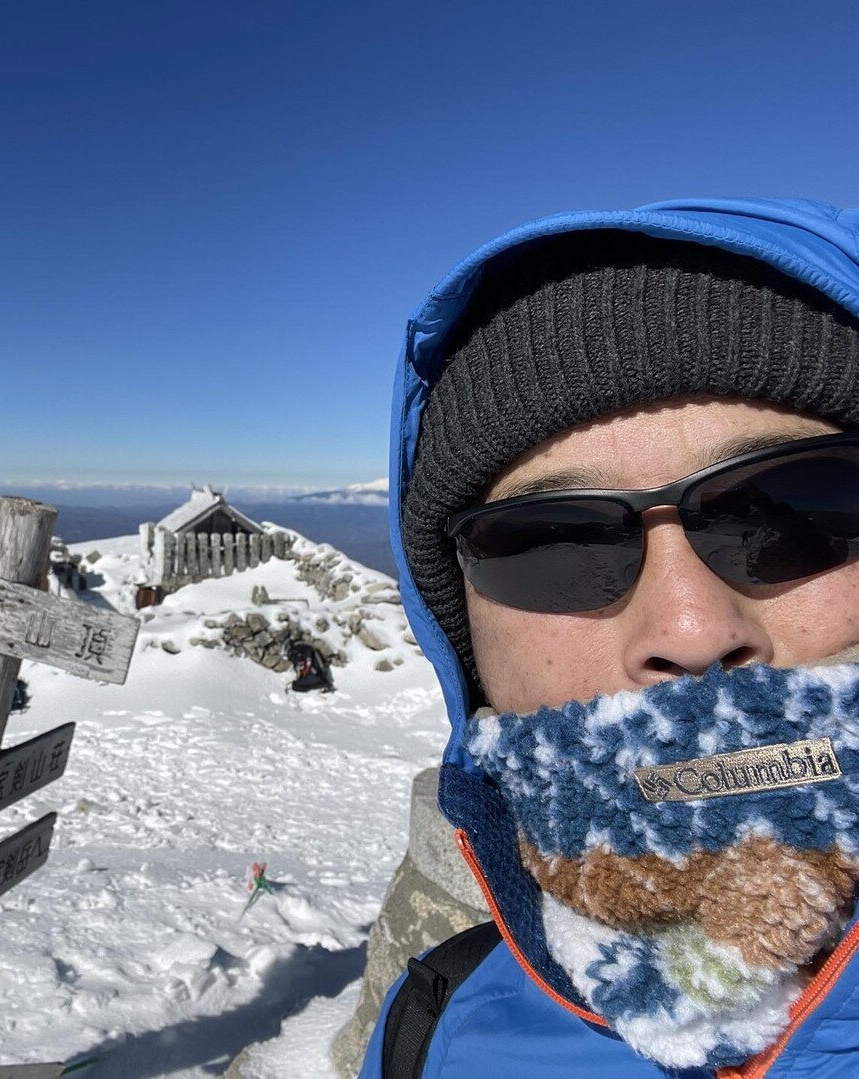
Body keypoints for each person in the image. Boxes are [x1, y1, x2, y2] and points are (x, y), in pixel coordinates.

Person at [362, 199, 859, 1077]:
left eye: (792, 508)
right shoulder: (432, 1032)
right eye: (552, 542)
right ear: (463, 635)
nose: (691, 630)